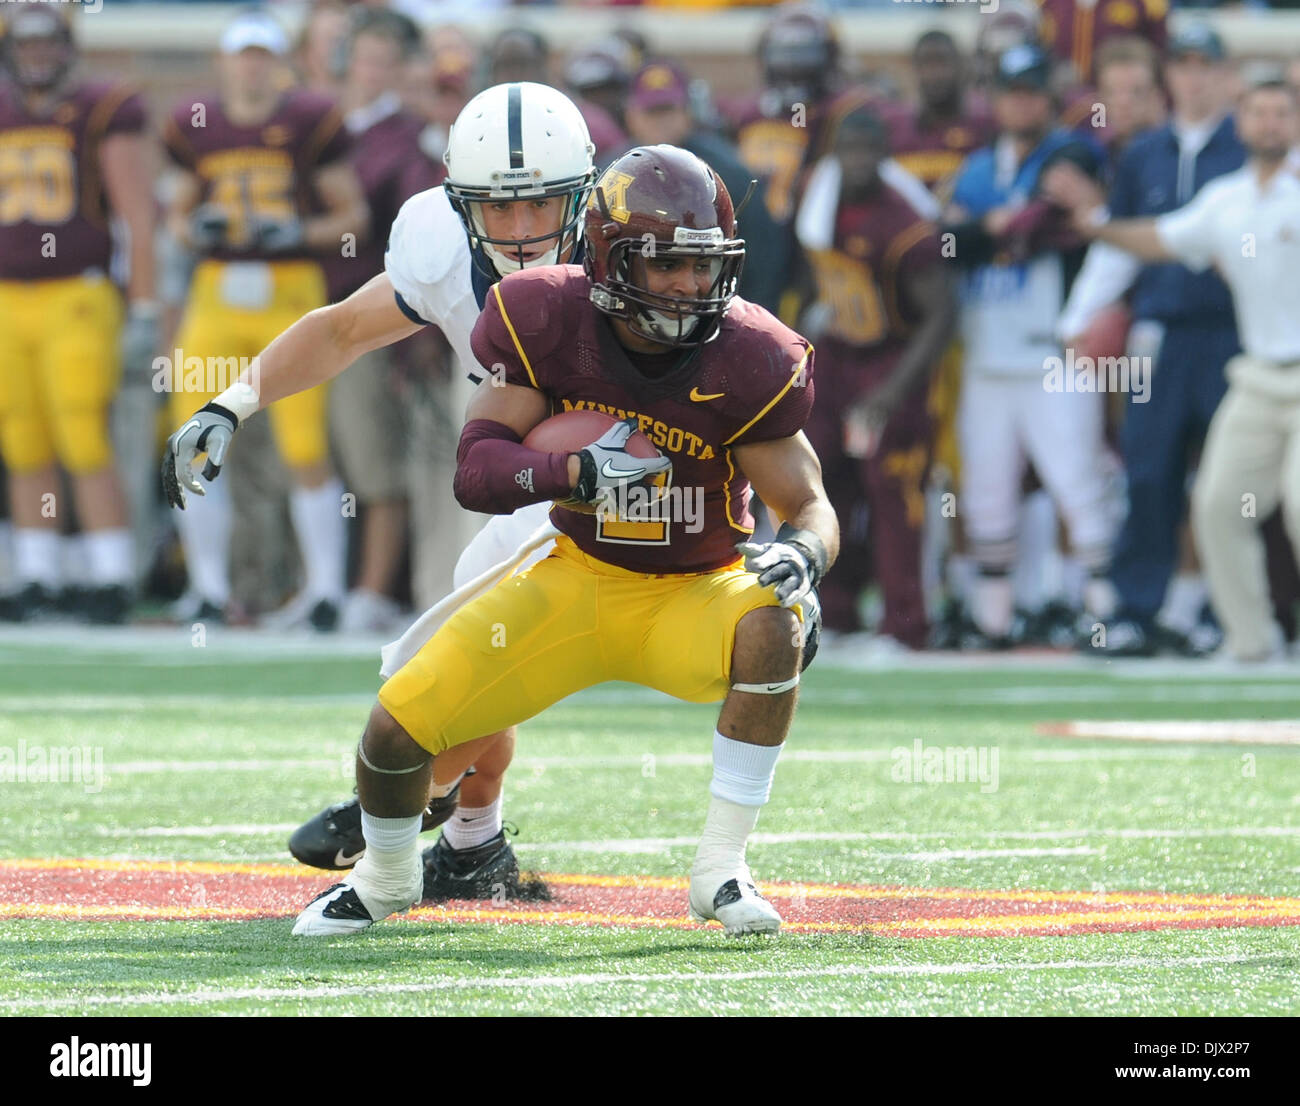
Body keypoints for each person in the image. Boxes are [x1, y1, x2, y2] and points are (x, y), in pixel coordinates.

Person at [289, 144, 838, 937]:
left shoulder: (750, 355)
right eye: (668, 265)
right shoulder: (544, 315)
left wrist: (803, 557)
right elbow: (476, 471)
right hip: (574, 575)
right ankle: (384, 879)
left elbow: (809, 502)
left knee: (774, 622)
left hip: (697, 587)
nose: (692, 285)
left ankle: (721, 869)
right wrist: (575, 472)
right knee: (394, 726)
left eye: (704, 265)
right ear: (613, 259)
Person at [162, 82, 598, 902]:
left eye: (539, 205)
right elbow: (342, 329)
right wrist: (232, 402)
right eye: (495, 210)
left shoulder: (629, 239)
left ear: (581, 192)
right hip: (529, 487)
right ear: (459, 203)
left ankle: (394, 823)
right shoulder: (436, 243)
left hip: (631, 485)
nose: (520, 231)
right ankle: (475, 845)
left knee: (442, 689)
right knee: (441, 670)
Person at [1044, 78, 1300, 663]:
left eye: (1281, 113)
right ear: (1242, 123)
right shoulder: (1226, 198)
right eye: (1258, 112)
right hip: (1258, 375)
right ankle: (1251, 642)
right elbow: (1159, 237)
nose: (1268, 123)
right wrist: (1097, 225)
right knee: (1216, 504)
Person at [161, 9, 368, 628]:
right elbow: (174, 215)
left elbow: (352, 214)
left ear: (278, 62)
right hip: (217, 288)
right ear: (225, 61)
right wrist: (191, 228)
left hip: (289, 287)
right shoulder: (195, 123)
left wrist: (299, 231)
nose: (252, 66)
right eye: (243, 54)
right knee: (190, 438)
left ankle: (325, 590)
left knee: (303, 440)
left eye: (262, 54)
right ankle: (207, 587)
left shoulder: (308, 120)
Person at [944, 43, 1115, 648]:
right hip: (988, 354)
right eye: (1012, 91)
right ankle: (995, 622)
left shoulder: (1074, 150)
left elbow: (1042, 222)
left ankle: (1101, 616)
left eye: (1033, 91)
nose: (1022, 102)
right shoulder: (976, 166)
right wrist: (992, 229)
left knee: (1077, 483)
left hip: (1053, 352)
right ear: (996, 99)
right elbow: (947, 240)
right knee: (986, 491)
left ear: (1049, 97)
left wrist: (990, 228)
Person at [0, 6, 156, 624]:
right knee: (21, 433)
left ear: (68, 47)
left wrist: (143, 306)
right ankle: (37, 573)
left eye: (47, 44)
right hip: (9, 294)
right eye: (26, 44)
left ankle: (111, 572)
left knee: (82, 431)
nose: (37, 55)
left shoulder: (102, 106)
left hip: (77, 293)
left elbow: (139, 218)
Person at [796, 106, 956, 648]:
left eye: (868, 150)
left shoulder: (904, 224)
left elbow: (942, 314)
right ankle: (837, 610)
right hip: (838, 355)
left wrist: (891, 392)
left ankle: (906, 622)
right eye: (850, 149)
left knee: (892, 486)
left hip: (891, 357)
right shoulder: (821, 201)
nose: (858, 161)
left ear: (885, 156)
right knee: (823, 478)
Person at [321, 7, 445, 634]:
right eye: (362, 56)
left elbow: (403, 236)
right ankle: (321, 586)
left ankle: (371, 592)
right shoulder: (322, 122)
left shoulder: (409, 137)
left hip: (371, 312)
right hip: (304, 306)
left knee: (377, 461)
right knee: (316, 459)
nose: (370, 71)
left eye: (383, 59)